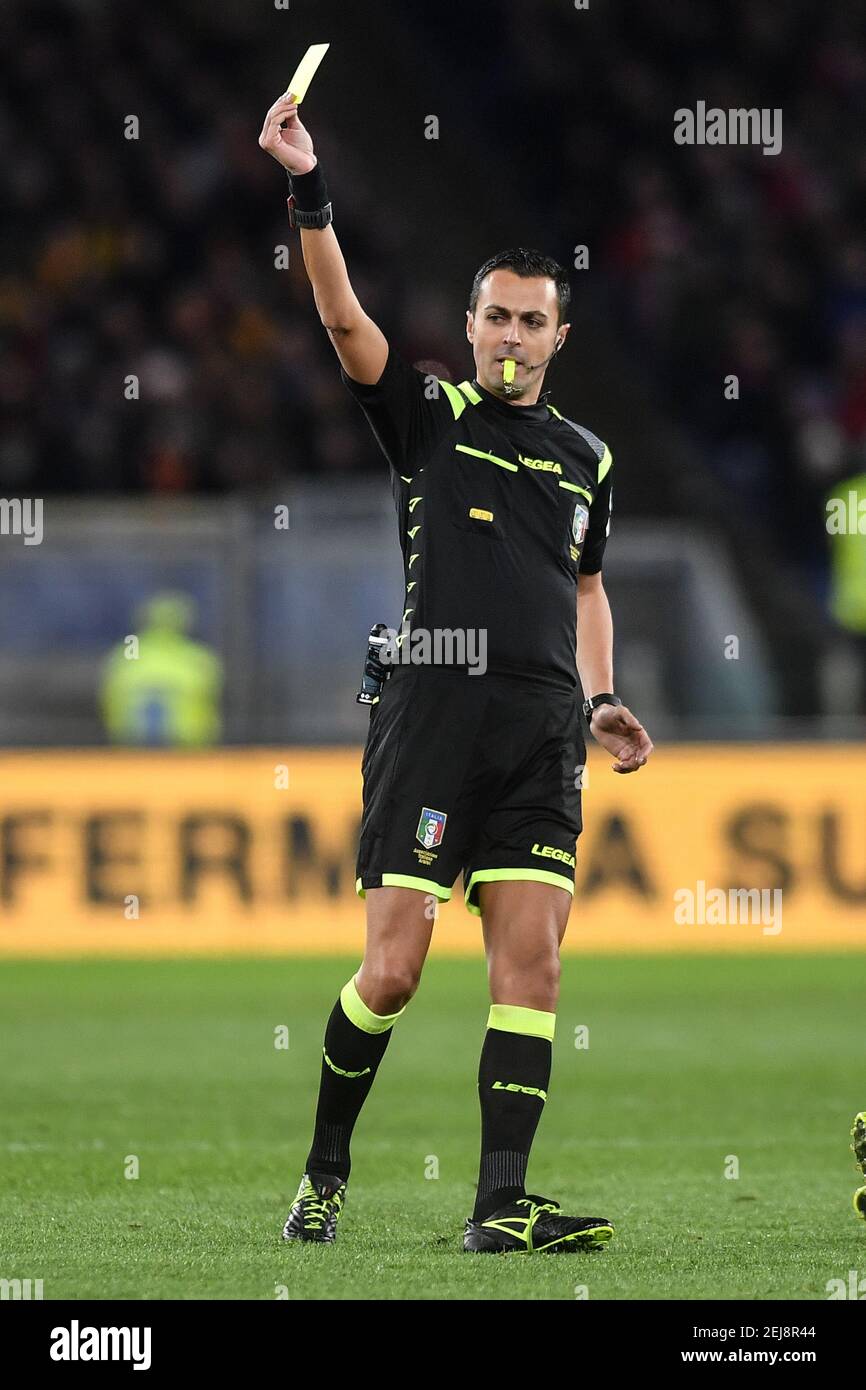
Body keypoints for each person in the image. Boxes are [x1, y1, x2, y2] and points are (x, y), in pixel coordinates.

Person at [260, 90, 653, 1254]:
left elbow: (585, 587)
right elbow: (341, 323)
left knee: (531, 963)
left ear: (558, 337)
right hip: (430, 711)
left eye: (533, 322)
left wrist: (598, 697)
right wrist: (308, 188)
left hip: (540, 725)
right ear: (471, 324)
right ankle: (325, 1172)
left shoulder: (588, 459)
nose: (512, 338)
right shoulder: (429, 417)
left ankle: (500, 1205)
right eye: (495, 317)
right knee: (392, 970)